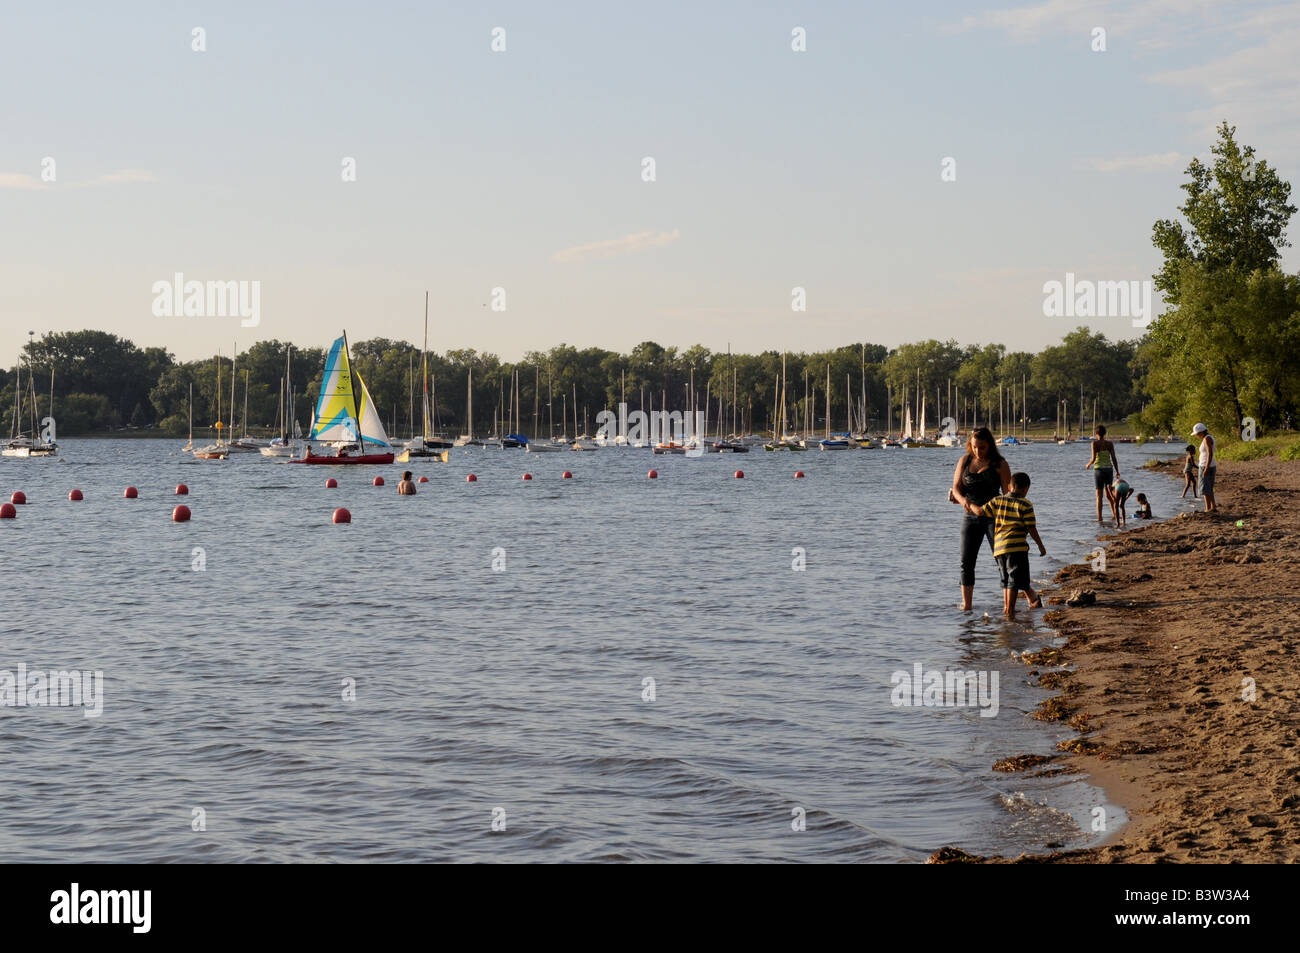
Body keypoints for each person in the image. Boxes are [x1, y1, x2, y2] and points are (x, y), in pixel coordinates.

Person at [952, 426, 1013, 611]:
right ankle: (967, 606)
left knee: (1003, 560)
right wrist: (966, 503)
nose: (978, 451)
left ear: (990, 446)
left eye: (982, 447)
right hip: (970, 517)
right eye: (975, 446)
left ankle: (1009, 605)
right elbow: (955, 488)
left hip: (994, 518)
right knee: (966, 562)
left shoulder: (1000, 464)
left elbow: (1008, 494)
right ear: (970, 445)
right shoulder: (964, 460)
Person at [978, 471, 1046, 620]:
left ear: (1009, 487)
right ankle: (1010, 611)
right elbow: (1031, 528)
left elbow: (981, 511)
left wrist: (965, 502)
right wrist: (1041, 546)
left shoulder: (997, 501)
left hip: (999, 548)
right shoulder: (1025, 504)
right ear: (1026, 488)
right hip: (1017, 548)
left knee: (1006, 579)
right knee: (1014, 580)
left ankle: (1008, 608)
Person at [1084, 425, 1120, 523]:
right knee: (1109, 494)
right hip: (1109, 469)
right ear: (1105, 433)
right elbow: (1113, 458)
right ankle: (1115, 514)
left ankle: (1100, 518)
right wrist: (1117, 471)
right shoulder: (1110, 444)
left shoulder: (1094, 443)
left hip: (1099, 470)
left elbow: (1094, 458)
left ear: (1096, 434)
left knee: (1099, 496)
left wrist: (1088, 464)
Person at [1193, 423, 1217, 512]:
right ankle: (1213, 506)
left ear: (1201, 432)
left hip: (1206, 465)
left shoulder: (1207, 439)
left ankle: (1207, 508)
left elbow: (1210, 453)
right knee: (1209, 487)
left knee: (1205, 488)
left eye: (1197, 434)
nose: (1196, 436)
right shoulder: (1208, 437)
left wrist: (1206, 467)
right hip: (1209, 465)